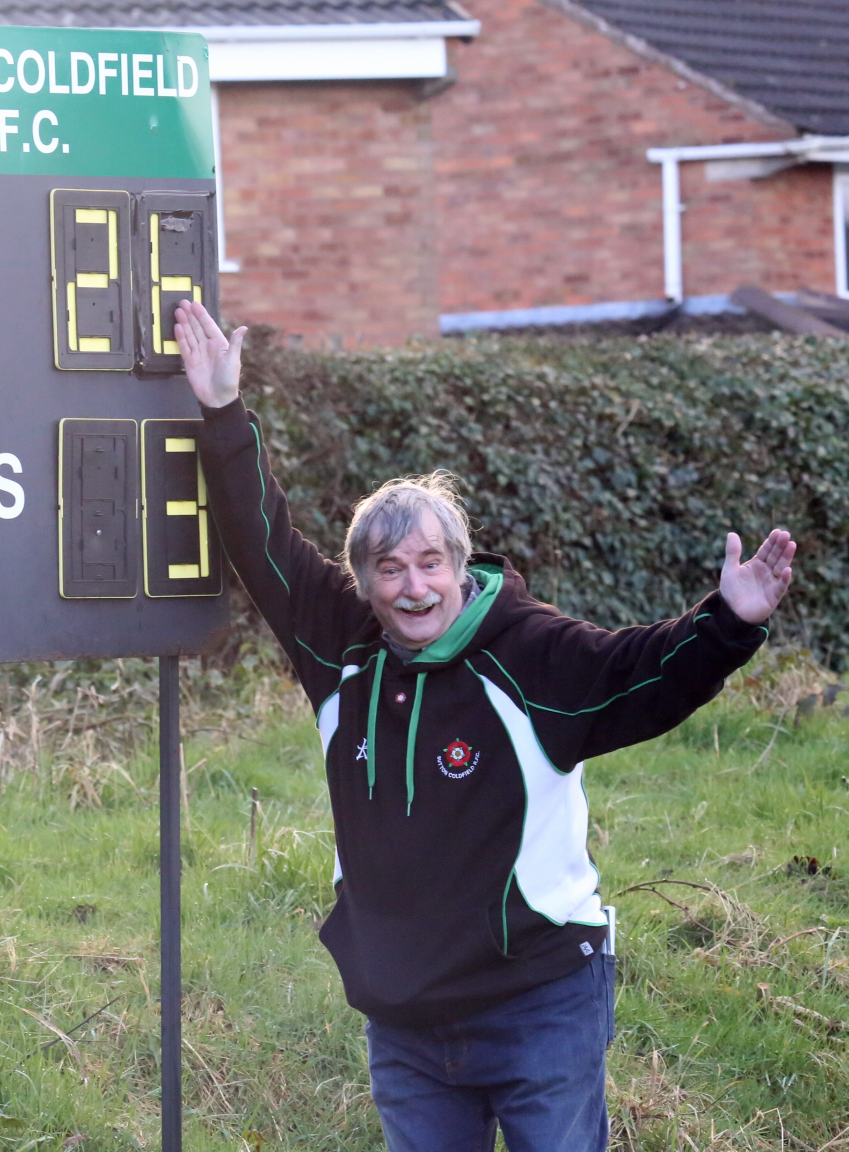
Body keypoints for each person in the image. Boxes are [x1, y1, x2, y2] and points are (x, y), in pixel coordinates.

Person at [172, 300, 795, 1152]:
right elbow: (261, 539)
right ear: (363, 582)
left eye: (431, 564)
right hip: (404, 1019)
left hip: (540, 1003)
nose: (413, 587)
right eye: (390, 569)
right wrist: (221, 409)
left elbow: (642, 673)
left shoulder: (531, 654)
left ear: (460, 569)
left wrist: (729, 622)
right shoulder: (339, 646)